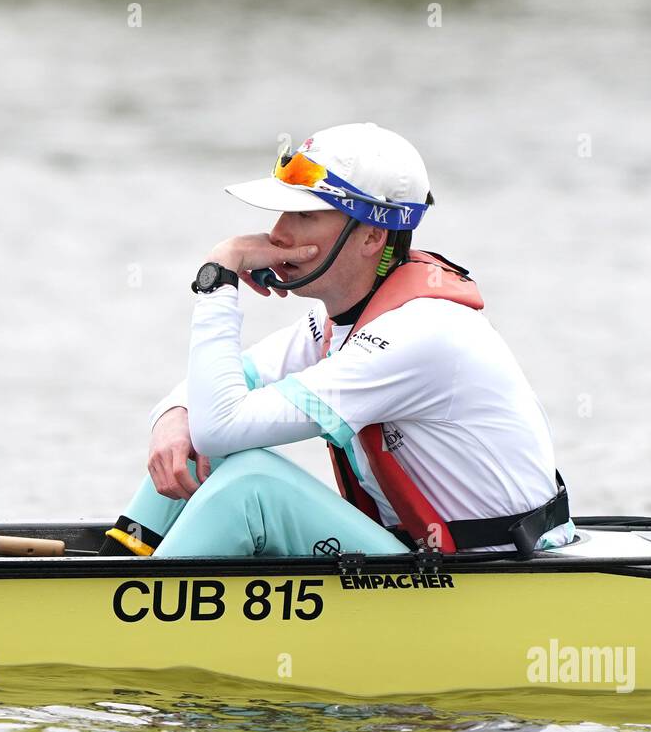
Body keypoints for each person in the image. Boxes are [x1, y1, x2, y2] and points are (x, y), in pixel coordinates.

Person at [99, 122, 574, 558]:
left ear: (370, 236)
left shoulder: (419, 335)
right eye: (284, 210)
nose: (278, 233)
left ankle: (121, 614)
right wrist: (172, 415)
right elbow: (227, 386)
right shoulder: (343, 321)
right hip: (418, 555)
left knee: (253, 485)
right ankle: (126, 559)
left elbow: (221, 426)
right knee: (208, 430)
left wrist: (218, 277)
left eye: (305, 215)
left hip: (490, 574)